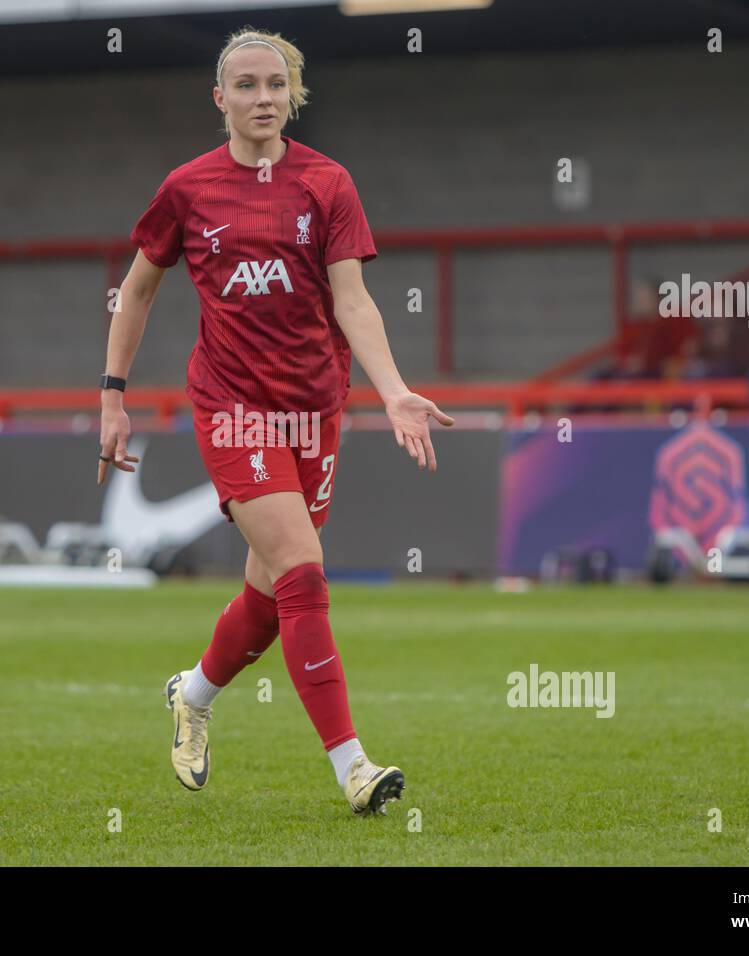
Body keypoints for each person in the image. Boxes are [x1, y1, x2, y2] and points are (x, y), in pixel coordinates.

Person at [97, 27, 453, 814]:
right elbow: (138, 290)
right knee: (302, 568)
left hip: (316, 412)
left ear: (293, 95)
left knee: (269, 593)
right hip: (232, 409)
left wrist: (392, 389)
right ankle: (353, 768)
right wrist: (112, 395)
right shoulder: (187, 188)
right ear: (218, 98)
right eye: (246, 85)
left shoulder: (328, 184)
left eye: (275, 85)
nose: (262, 99)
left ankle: (191, 694)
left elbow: (352, 299)